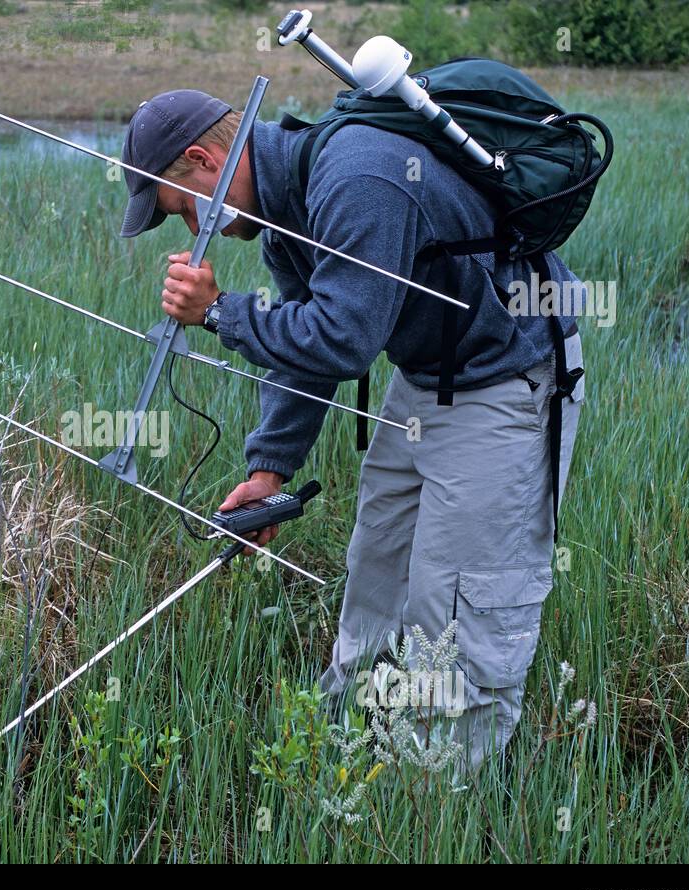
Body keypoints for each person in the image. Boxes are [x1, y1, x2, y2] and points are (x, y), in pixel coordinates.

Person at [118, 88, 587, 769]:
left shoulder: (357, 176)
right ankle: (340, 759)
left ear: (203, 158)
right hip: (425, 379)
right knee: (377, 574)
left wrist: (220, 314)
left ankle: (437, 803)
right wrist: (267, 471)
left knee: (455, 612)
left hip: (505, 384)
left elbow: (342, 339)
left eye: (185, 206)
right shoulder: (287, 212)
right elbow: (304, 351)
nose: (198, 227)